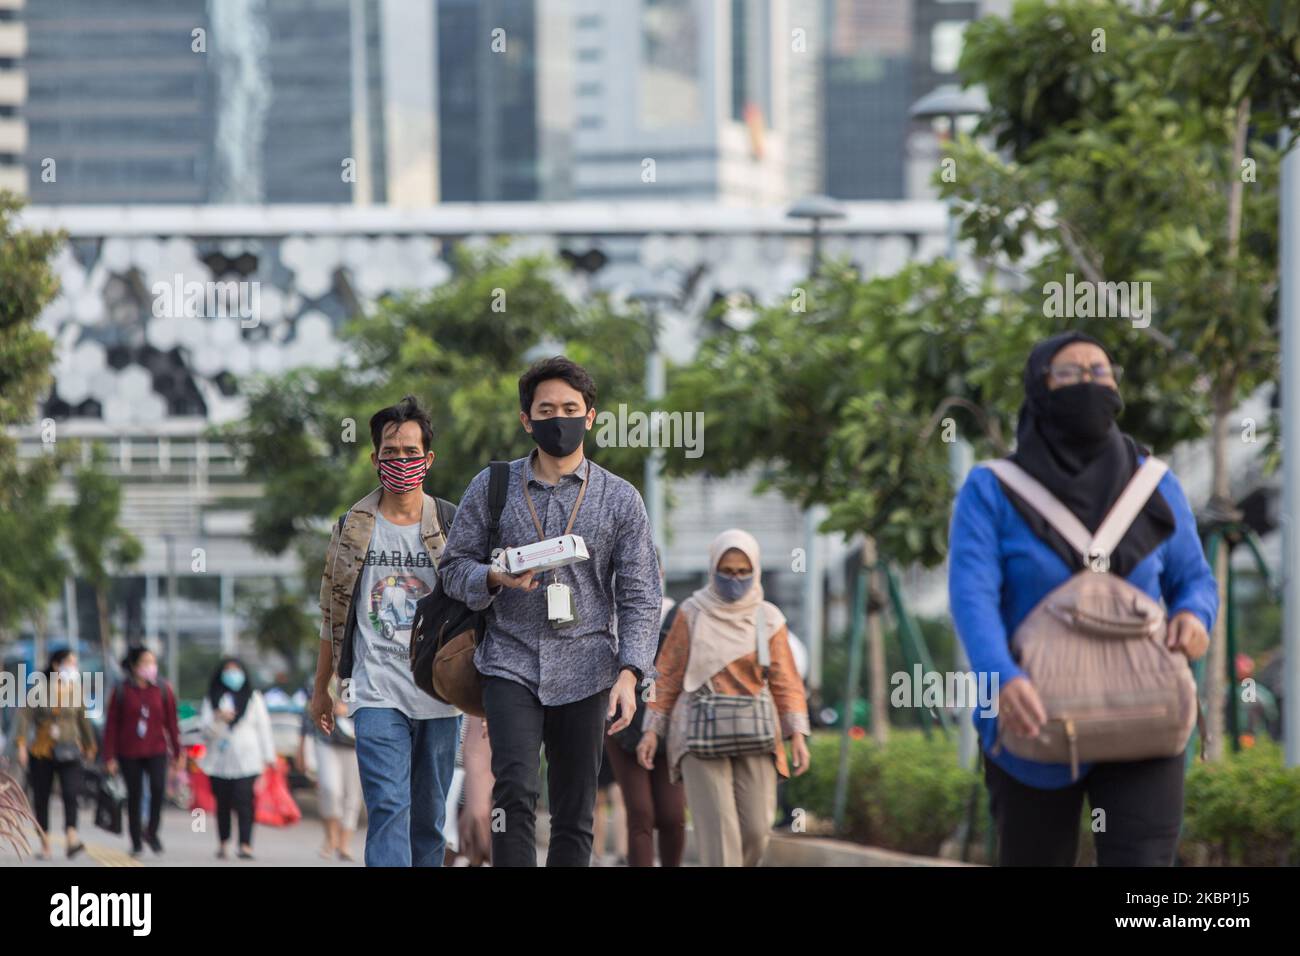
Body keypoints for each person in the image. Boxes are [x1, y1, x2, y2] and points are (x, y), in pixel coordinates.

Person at [948, 331, 1218, 866]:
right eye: (1070, 374)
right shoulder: (992, 489)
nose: (1089, 382)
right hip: (1033, 718)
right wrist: (1000, 676)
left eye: (1101, 371)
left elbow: (1194, 578)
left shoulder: (1154, 484)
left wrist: (1193, 615)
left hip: (1146, 713)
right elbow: (972, 594)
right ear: (1038, 388)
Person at [437, 355, 661, 867]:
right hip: (509, 662)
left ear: (590, 417)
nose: (556, 418)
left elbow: (640, 593)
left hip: (588, 668)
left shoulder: (621, 499)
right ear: (526, 420)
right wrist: (493, 576)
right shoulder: (491, 488)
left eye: (569, 408)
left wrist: (631, 673)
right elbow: (452, 569)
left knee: (574, 808)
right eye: (545, 409)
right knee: (513, 790)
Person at [308, 396, 462, 867]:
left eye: (410, 453)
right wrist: (322, 688)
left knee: (429, 818)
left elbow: (476, 609)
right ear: (375, 459)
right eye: (391, 453)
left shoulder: (452, 523)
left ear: (428, 459)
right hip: (375, 693)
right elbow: (333, 614)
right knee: (389, 807)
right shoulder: (352, 528)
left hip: (439, 693)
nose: (401, 463)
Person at [638, 529, 811, 867]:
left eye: (743, 572)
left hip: (757, 732)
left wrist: (798, 735)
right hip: (699, 731)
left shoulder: (769, 618)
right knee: (719, 831)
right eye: (727, 571)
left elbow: (786, 681)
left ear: (755, 571)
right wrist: (651, 730)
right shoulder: (693, 612)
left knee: (757, 830)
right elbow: (668, 673)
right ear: (712, 568)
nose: (735, 579)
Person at [604, 551, 687, 866]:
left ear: (662, 573)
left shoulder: (679, 615)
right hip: (620, 725)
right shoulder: (608, 615)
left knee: (672, 814)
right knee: (640, 812)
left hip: (668, 727)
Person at [15, 649, 96, 860]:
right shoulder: (39, 689)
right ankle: (45, 844)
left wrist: (89, 745)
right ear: (56, 665)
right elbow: (24, 717)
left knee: (71, 793)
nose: (73, 667)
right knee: (41, 797)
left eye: (75, 663)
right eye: (69, 662)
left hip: (69, 750)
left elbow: (83, 720)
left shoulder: (77, 690)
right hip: (42, 751)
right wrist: (22, 745)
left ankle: (71, 837)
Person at [102, 646, 182, 858]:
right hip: (129, 751)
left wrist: (178, 753)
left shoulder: (163, 689)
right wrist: (108, 756)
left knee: (157, 789)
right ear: (134, 666)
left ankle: (152, 831)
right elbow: (111, 725)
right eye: (145, 662)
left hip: (156, 749)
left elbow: (172, 723)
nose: (150, 667)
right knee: (135, 795)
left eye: (153, 663)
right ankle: (136, 840)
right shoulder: (121, 690)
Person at [199, 658, 276, 860]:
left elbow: (264, 729)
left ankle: (245, 844)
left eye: (236, 670)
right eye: (228, 671)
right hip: (219, 761)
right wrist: (218, 718)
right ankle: (223, 842)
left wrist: (269, 759)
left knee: (244, 802)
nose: (233, 675)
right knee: (222, 803)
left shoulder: (254, 698)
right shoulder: (212, 699)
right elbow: (205, 730)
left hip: (248, 760)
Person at [299, 675, 361, 861]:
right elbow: (308, 711)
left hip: (354, 743)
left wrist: (347, 709)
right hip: (325, 740)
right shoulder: (318, 679)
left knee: (352, 795)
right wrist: (301, 745)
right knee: (329, 789)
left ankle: (344, 843)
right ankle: (330, 837)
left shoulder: (357, 676)